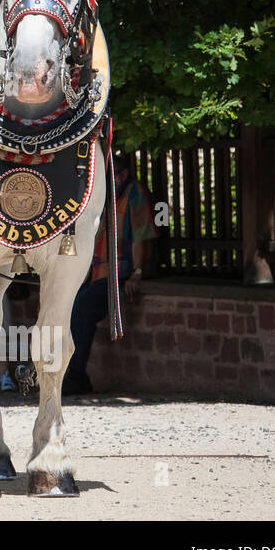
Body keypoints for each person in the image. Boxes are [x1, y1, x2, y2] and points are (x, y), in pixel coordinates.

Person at [65, 154, 155, 395]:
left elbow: (140, 235)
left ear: (123, 175)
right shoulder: (107, 194)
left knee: (83, 309)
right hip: (98, 271)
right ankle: (69, 373)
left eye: (112, 175)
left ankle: (75, 375)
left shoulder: (134, 193)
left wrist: (136, 273)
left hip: (119, 273)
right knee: (72, 307)